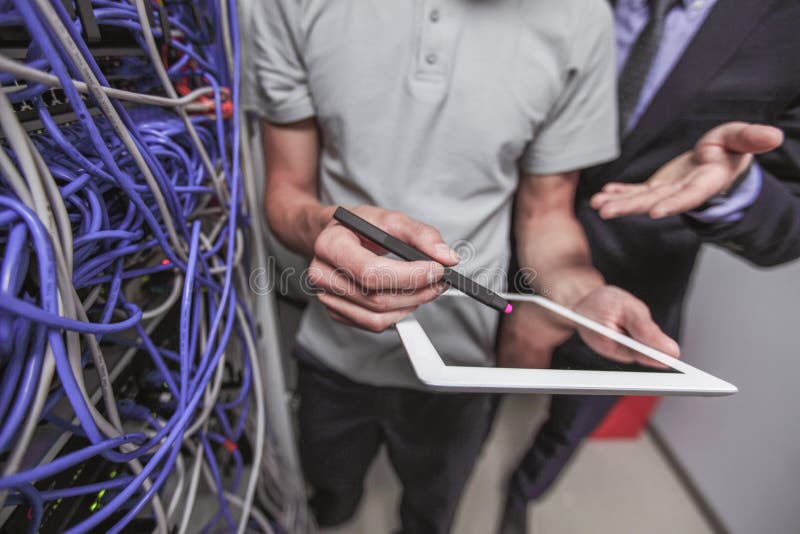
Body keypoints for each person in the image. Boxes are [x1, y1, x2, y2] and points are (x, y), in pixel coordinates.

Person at [250, 1, 682, 532]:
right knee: (331, 486)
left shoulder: (581, 18)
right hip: (331, 348)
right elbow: (285, 192)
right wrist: (323, 229)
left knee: (434, 504)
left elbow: (546, 214)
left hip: (465, 365)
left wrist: (580, 296)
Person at [497, 0, 800, 532]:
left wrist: (728, 188)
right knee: (478, 386)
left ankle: (523, 492)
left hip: (642, 275)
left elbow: (789, 225)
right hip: (508, 238)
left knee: (574, 418)